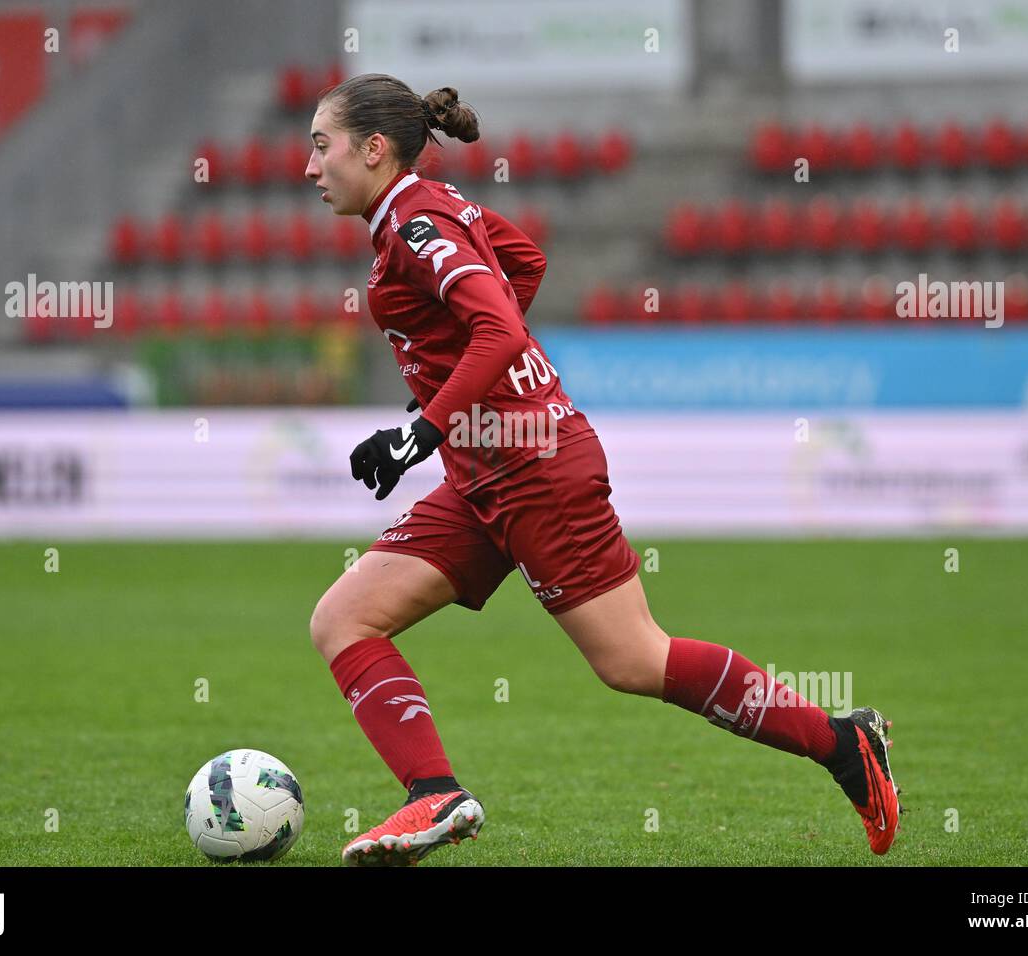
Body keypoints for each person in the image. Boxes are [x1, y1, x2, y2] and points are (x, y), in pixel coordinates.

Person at [305, 73, 902, 866]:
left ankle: (841, 744)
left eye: (322, 145)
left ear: (372, 149)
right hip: (486, 472)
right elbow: (526, 263)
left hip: (535, 469)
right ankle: (433, 797)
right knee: (344, 619)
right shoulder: (428, 211)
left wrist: (427, 427)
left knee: (634, 660)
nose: (310, 167)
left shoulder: (417, 225)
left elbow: (499, 328)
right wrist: (463, 406)